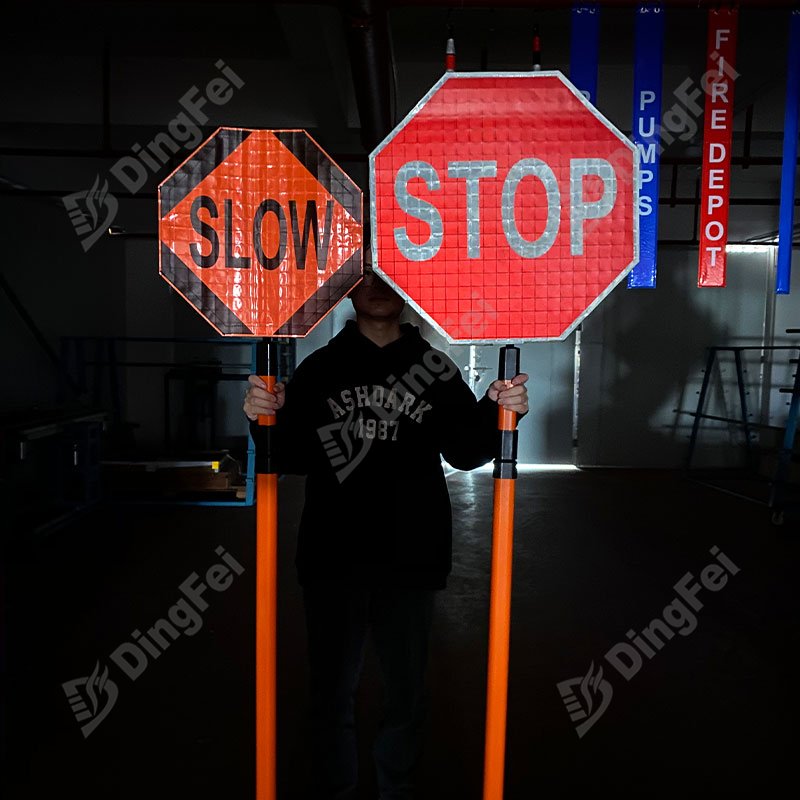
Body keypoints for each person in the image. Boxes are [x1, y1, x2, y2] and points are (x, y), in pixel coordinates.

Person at [243, 263, 528, 800]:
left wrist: (499, 409)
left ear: (407, 286)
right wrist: (263, 418)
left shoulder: (435, 367)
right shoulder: (319, 368)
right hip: (332, 555)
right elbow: (290, 455)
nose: (377, 287)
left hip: (411, 556)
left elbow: (466, 452)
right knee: (330, 695)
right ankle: (337, 788)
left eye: (388, 275)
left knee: (406, 696)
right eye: (367, 276)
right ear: (350, 288)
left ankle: (395, 788)